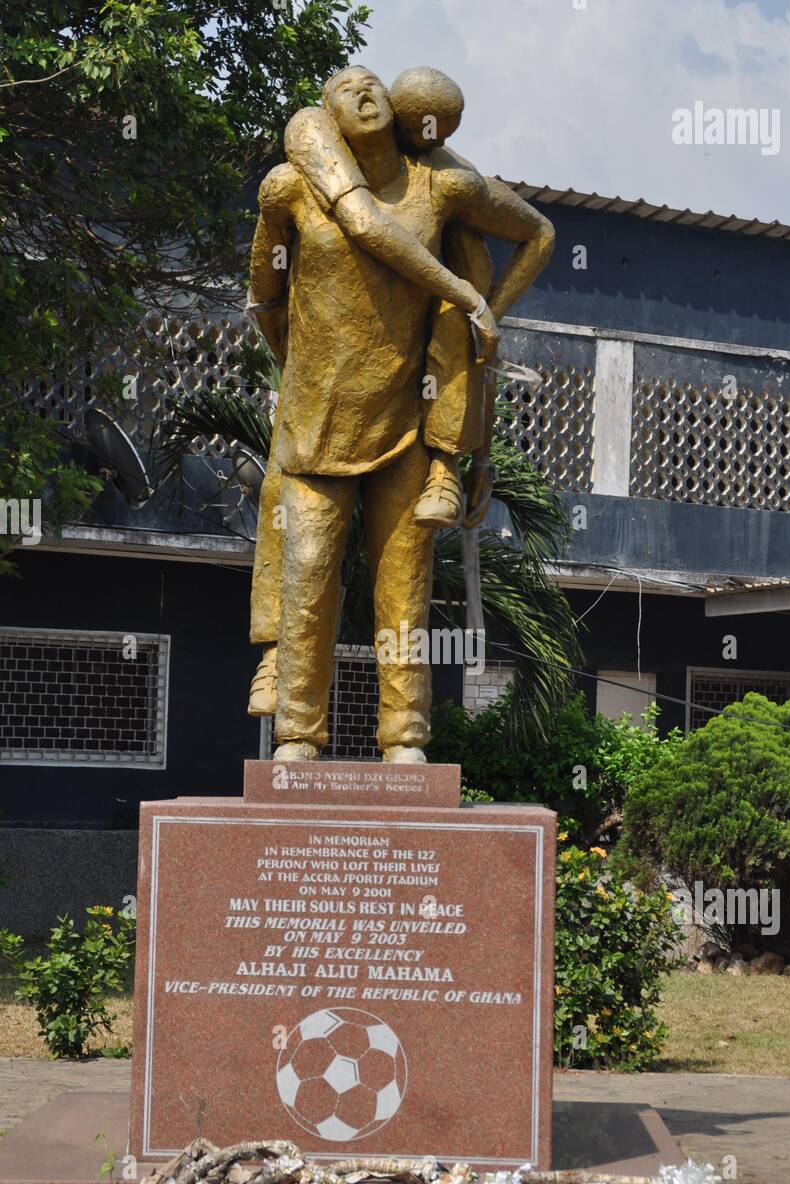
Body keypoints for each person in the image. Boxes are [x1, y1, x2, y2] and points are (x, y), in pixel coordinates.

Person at [247, 66, 553, 761]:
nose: (359, 90)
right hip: (315, 427)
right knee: (309, 577)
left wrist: (485, 317)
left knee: (404, 592)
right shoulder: (293, 189)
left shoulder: (439, 188)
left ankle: (404, 737)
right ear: (324, 116)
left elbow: (535, 234)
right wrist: (303, 368)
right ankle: (297, 735)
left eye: (370, 81)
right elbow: (263, 297)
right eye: (341, 87)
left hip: (408, 427)